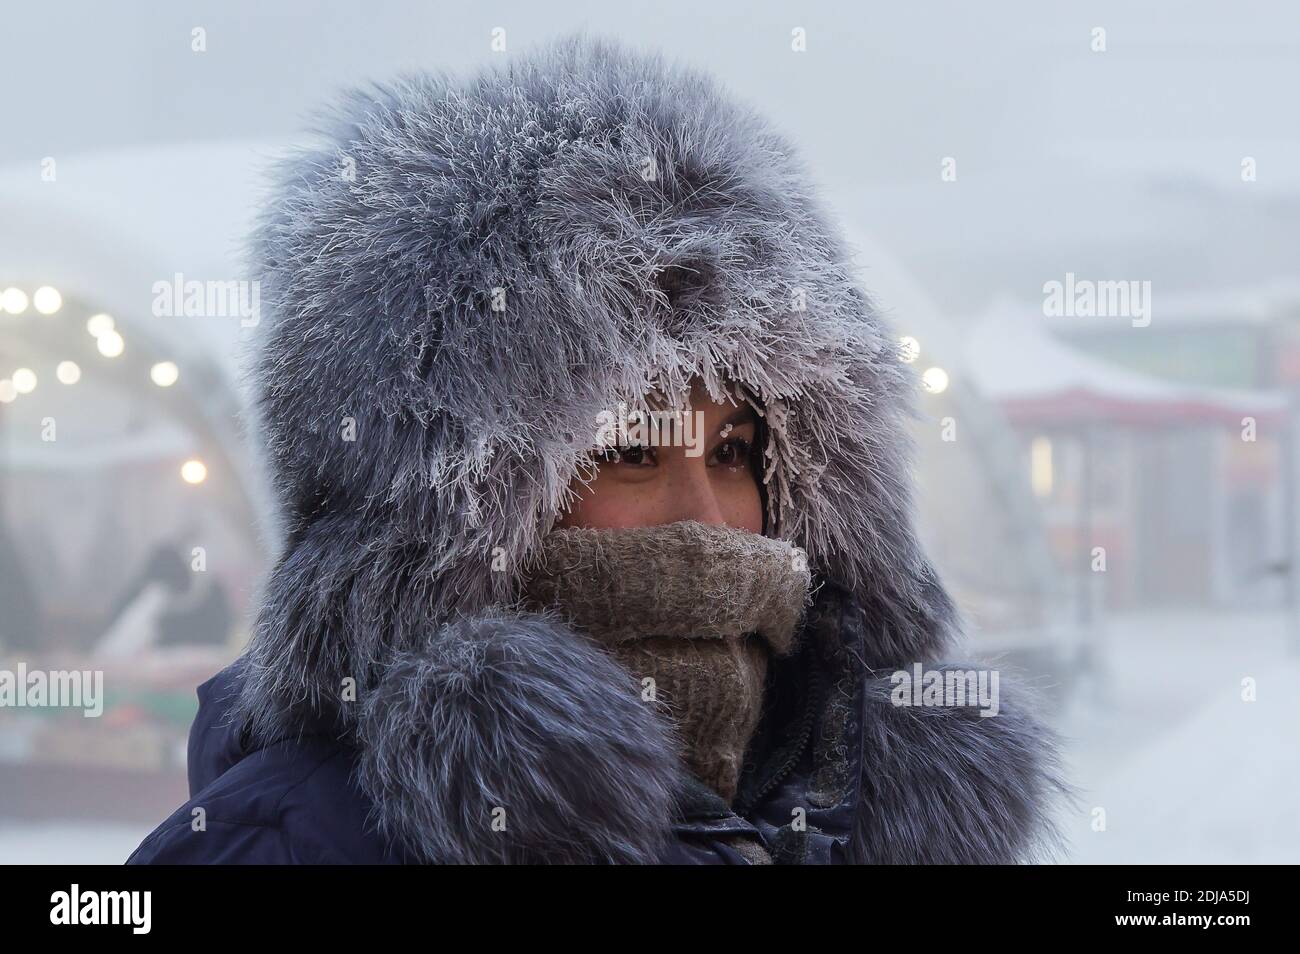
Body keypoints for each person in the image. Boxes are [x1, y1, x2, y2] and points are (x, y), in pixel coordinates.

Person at [129, 33, 1066, 865]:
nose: (709, 520)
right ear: (452, 520)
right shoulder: (285, 842)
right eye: (632, 455)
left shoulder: (847, 818)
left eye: (734, 453)